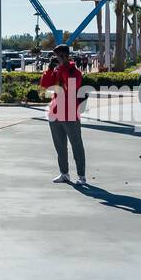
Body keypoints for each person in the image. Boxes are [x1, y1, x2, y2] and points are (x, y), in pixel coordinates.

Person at [39, 44, 88, 185]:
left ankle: (81, 175)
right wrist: (49, 69)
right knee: (60, 146)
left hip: (70, 113)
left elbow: (71, 86)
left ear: (66, 56)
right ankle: (64, 173)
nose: (57, 58)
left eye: (60, 55)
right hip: (55, 113)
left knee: (76, 145)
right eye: (56, 55)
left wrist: (64, 67)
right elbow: (46, 85)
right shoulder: (56, 70)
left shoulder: (74, 71)